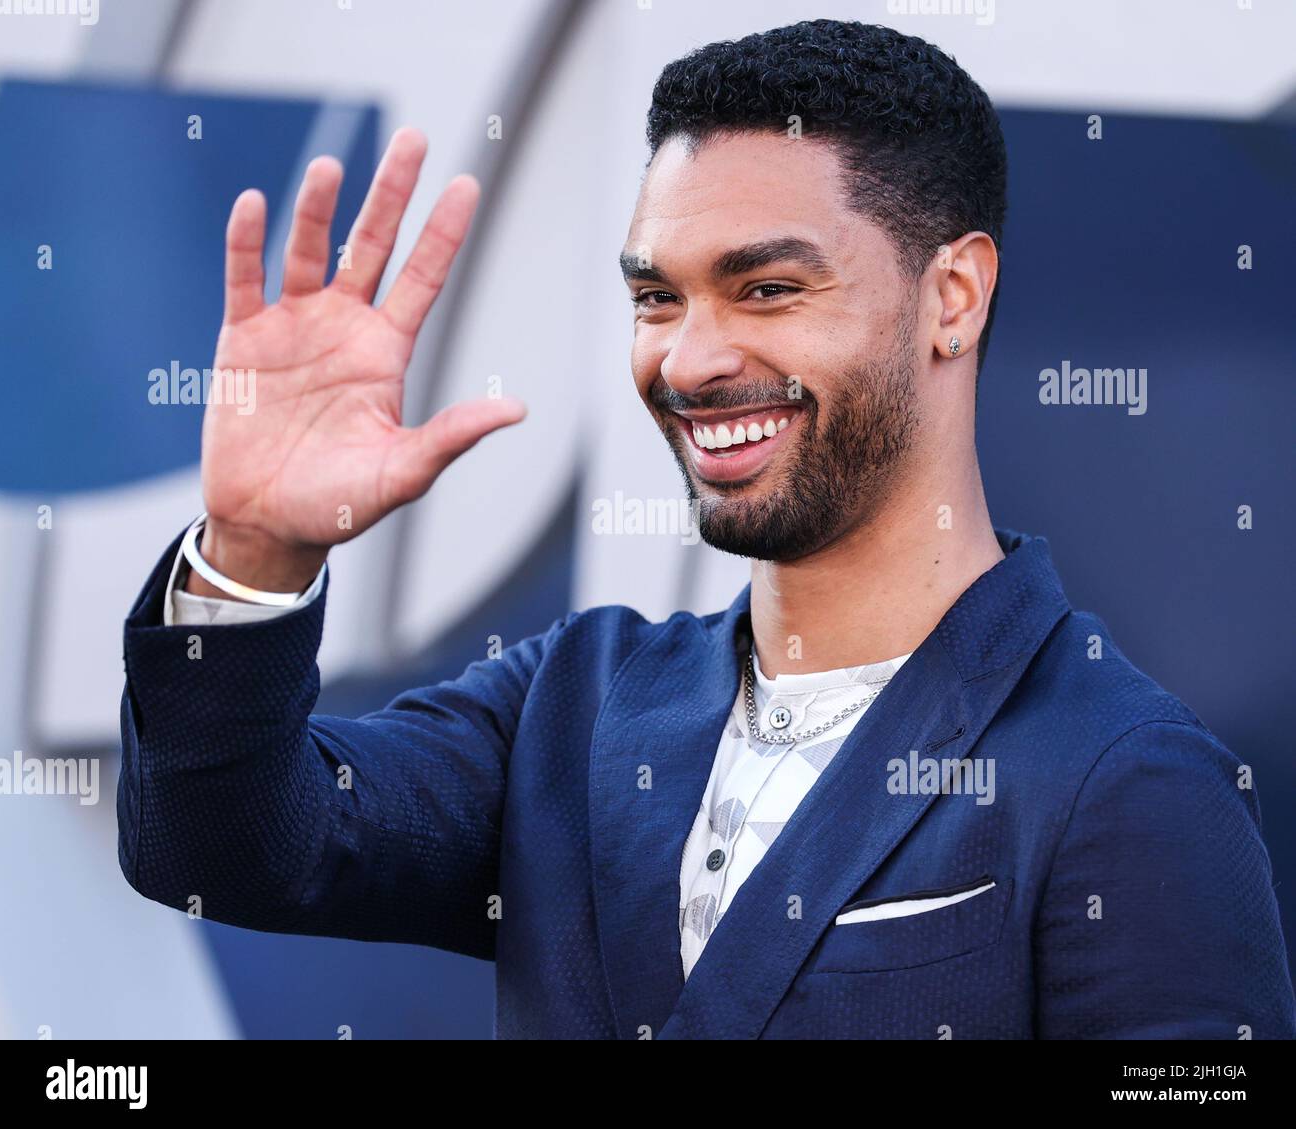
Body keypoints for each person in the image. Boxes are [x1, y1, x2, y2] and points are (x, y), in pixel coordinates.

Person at [117, 20, 1295, 1039]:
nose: (689, 359)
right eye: (655, 296)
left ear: (953, 297)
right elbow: (221, 851)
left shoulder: (1128, 779)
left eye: (767, 289)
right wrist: (258, 549)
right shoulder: (571, 706)